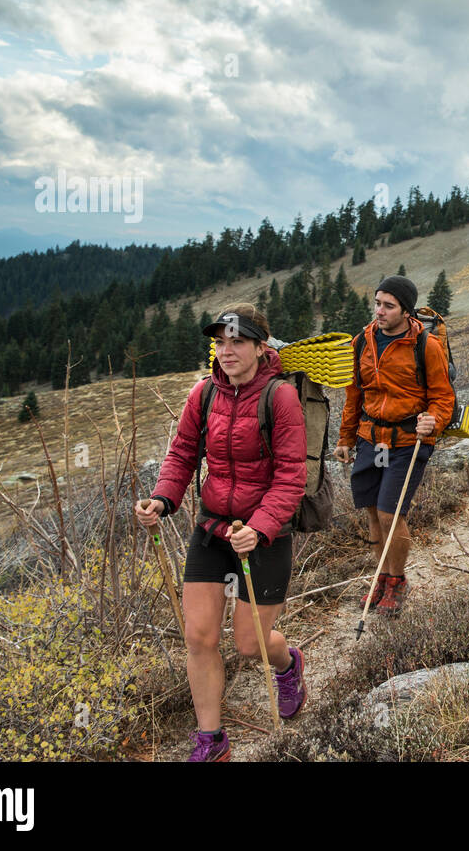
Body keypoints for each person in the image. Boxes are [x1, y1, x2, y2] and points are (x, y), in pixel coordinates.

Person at [133, 303, 307, 762]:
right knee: (200, 637)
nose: (226, 350)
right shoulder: (204, 394)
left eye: (238, 341)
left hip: (264, 535)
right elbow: (183, 452)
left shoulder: (280, 397)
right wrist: (162, 499)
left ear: (259, 346)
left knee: (249, 644)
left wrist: (261, 527)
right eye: (221, 342)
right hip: (212, 527)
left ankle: (288, 665)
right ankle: (211, 740)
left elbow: (292, 476)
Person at [333, 276, 454, 615]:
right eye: (377, 303)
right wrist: (345, 438)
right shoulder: (362, 342)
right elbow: (354, 394)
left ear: (405, 310)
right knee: (372, 510)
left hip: (407, 441)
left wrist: (434, 419)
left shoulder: (425, 346)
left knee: (390, 512)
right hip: (372, 439)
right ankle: (382, 577)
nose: (380, 311)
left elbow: (443, 397)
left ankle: (398, 581)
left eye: (388, 305)